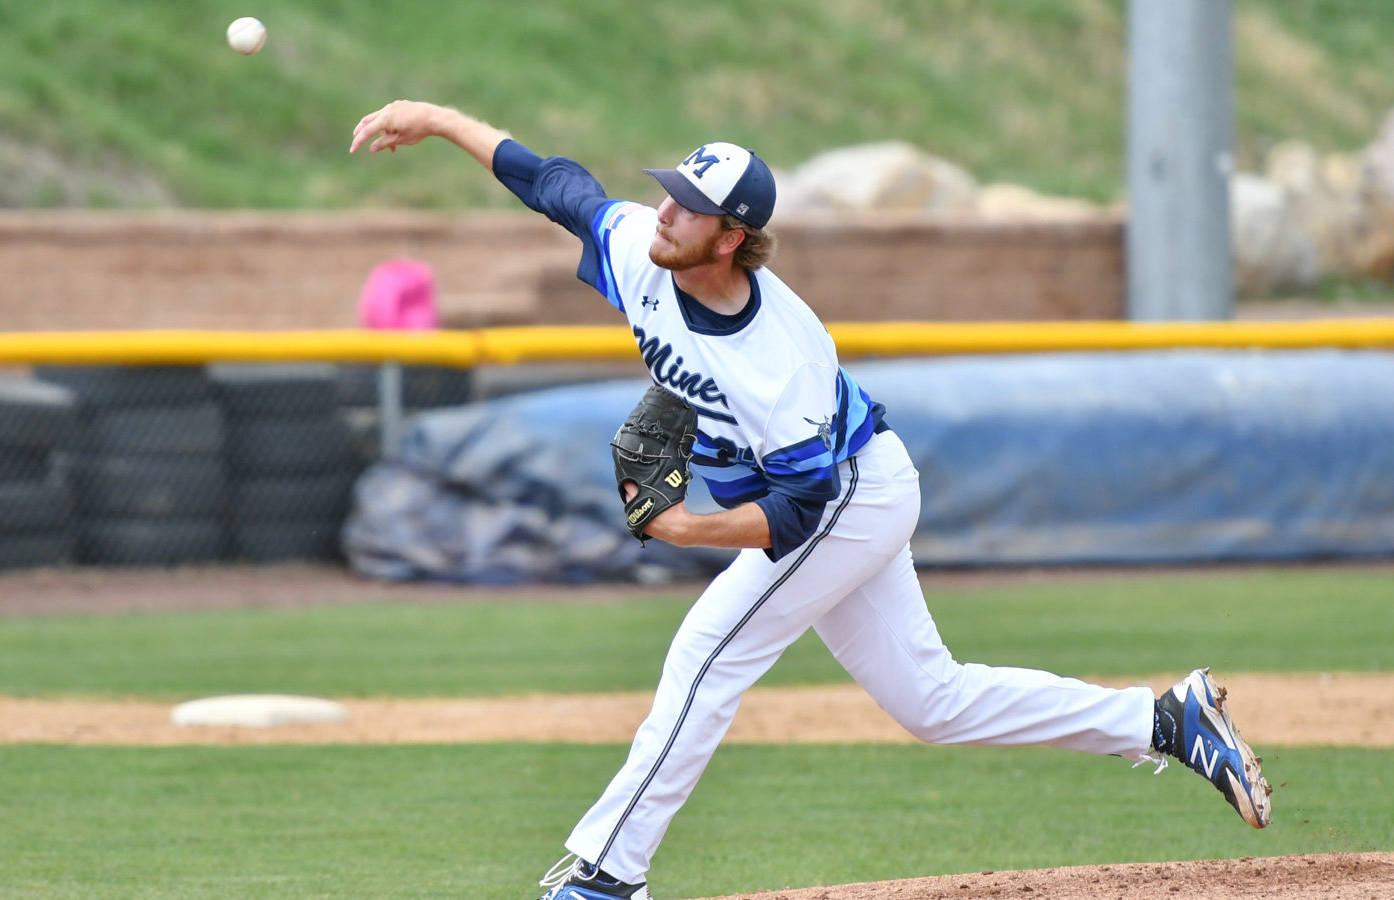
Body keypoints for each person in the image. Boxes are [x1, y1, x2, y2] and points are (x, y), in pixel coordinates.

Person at [350, 101, 1272, 900]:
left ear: (729, 238)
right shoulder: (641, 249)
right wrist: (436, 120)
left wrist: (687, 527)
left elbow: (799, 513)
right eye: (670, 191)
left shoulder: (776, 359)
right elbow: (553, 183)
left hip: (849, 498)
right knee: (932, 702)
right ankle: (1163, 720)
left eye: (688, 206)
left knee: (707, 654)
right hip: (848, 490)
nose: (663, 210)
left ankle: (605, 875)